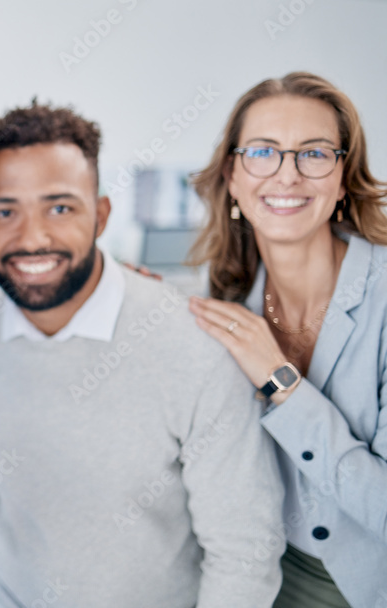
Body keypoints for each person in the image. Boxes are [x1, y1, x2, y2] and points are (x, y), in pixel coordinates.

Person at [0, 102, 285, 608]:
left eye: (60, 207)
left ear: (101, 215)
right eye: (5, 211)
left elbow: (243, 553)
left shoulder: (194, 348)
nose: (33, 238)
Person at [188, 72, 387, 608]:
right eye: (263, 152)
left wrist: (282, 383)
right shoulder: (229, 299)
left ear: (343, 177)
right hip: (264, 578)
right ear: (232, 174)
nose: (286, 175)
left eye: (314, 154)